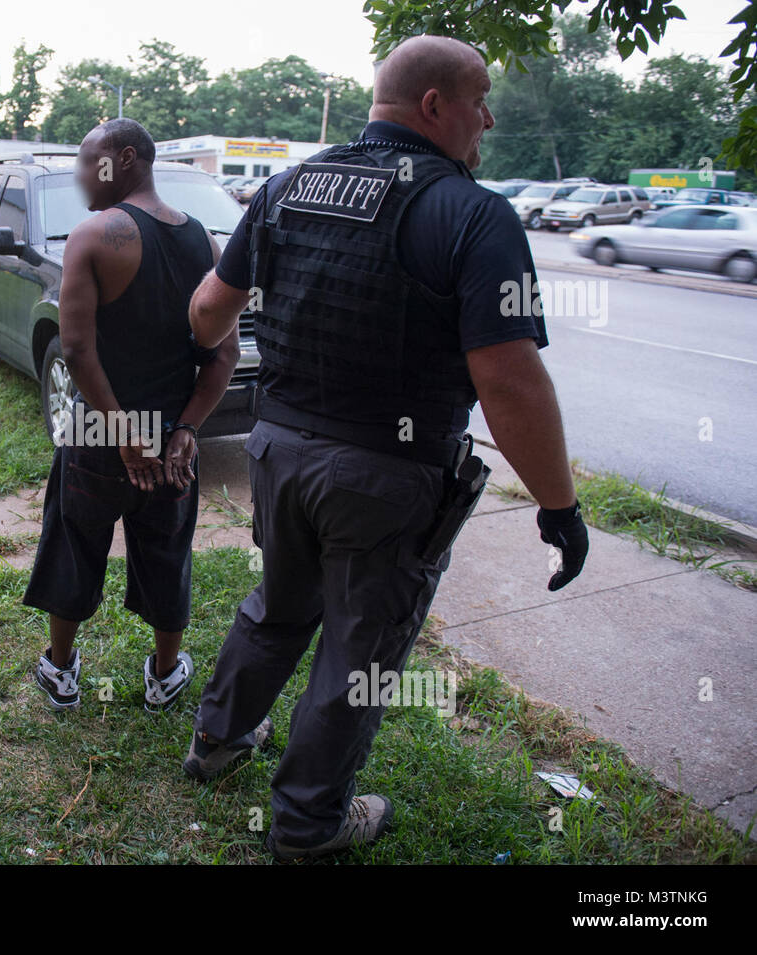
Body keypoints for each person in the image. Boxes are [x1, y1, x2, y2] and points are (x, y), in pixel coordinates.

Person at [182, 35, 589, 860]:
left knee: (279, 606)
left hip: (278, 454)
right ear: (434, 106)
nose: (490, 117)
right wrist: (560, 507)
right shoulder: (474, 213)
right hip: (384, 479)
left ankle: (217, 742)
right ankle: (308, 824)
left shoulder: (285, 188)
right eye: (480, 99)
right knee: (359, 649)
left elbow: (204, 315)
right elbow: (510, 383)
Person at [22, 118, 240, 712]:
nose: (78, 175)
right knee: (167, 552)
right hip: (170, 434)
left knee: (74, 542)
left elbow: (76, 350)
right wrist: (187, 428)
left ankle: (61, 669)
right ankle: (165, 675)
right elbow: (224, 354)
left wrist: (121, 432)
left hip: (99, 430)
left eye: (86, 162)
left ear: (123, 159)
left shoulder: (93, 235)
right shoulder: (204, 243)